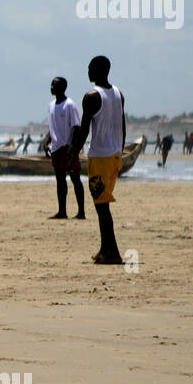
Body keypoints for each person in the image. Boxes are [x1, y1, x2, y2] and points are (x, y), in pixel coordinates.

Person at [69, 56, 125, 264]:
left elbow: (84, 129)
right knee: (103, 203)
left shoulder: (91, 96)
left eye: (91, 67)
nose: (88, 71)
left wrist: (73, 154)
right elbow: (122, 124)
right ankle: (105, 248)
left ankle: (114, 253)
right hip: (115, 156)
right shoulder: (119, 94)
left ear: (100, 70)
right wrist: (120, 150)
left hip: (100, 157)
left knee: (102, 207)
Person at [42, 77, 85, 219]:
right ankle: (62, 211)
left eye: (54, 85)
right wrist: (46, 141)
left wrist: (72, 147)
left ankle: (81, 212)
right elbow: (52, 126)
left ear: (62, 88)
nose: (51, 87)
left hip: (67, 148)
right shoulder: (51, 106)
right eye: (51, 85)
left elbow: (76, 127)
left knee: (75, 179)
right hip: (55, 148)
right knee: (60, 180)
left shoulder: (70, 105)